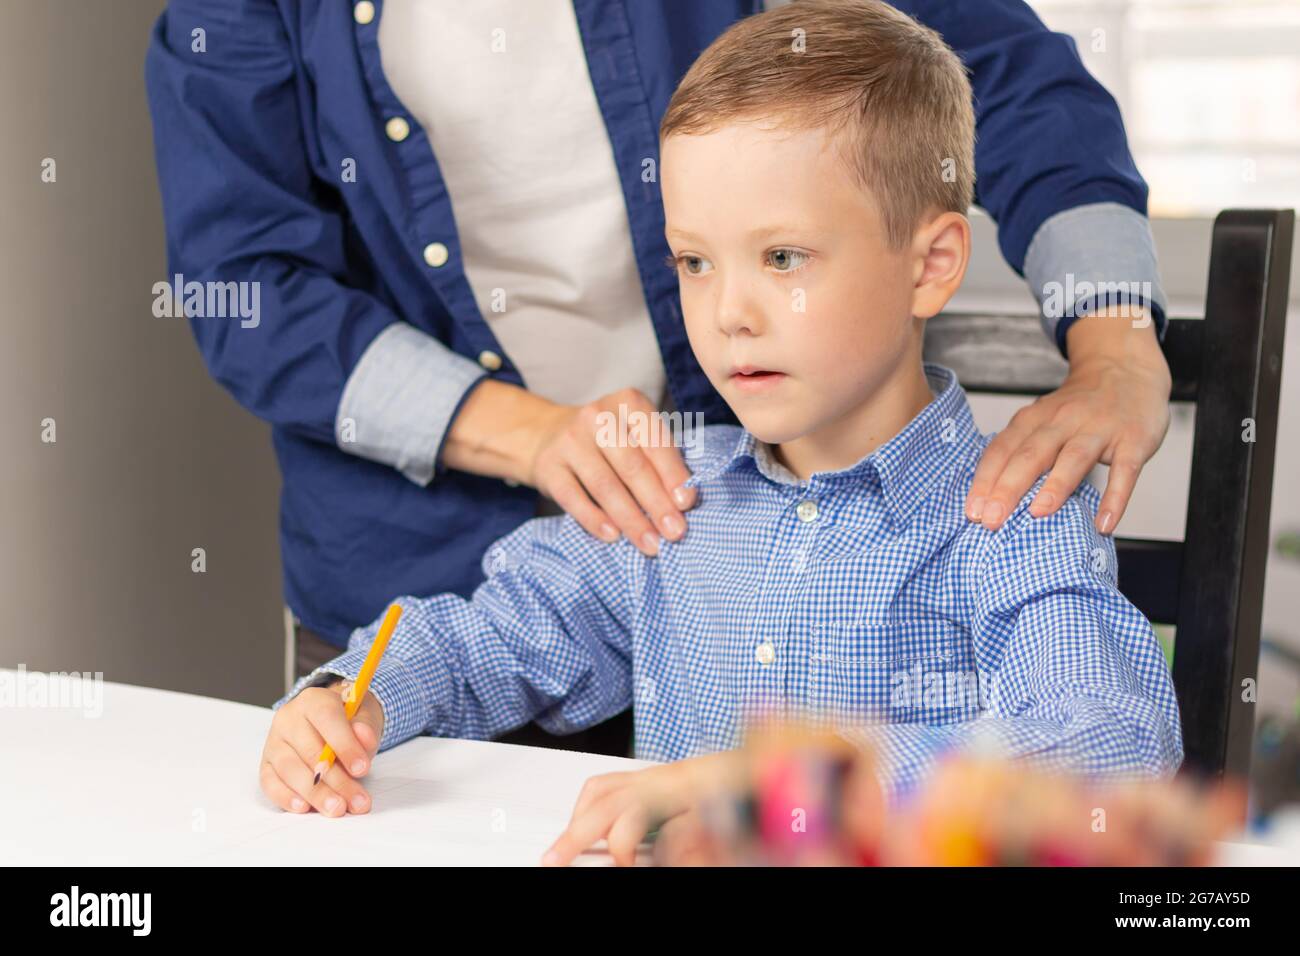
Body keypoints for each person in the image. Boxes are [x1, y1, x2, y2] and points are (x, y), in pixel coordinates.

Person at [258, 0, 1183, 867]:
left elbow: (1106, 749)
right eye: (694, 262)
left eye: (782, 257)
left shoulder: (1012, 520)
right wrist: (356, 698)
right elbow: (483, 642)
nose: (728, 313)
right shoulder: (670, 501)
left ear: (932, 266)